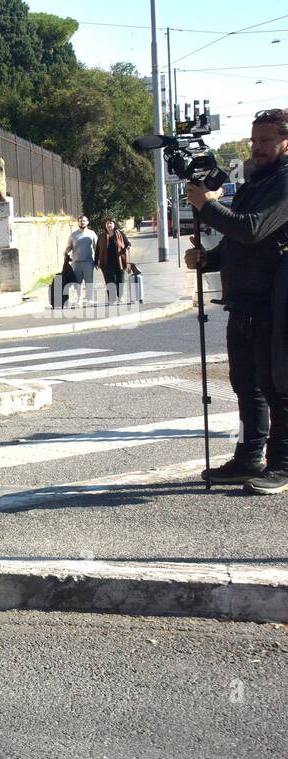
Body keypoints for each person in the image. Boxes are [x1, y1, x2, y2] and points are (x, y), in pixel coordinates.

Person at [186, 107, 288, 494]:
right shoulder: (255, 181)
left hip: (274, 301)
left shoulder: (284, 181)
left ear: (285, 141)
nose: (258, 147)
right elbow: (237, 244)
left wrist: (207, 206)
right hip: (244, 300)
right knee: (247, 384)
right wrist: (209, 259)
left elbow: (252, 229)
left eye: (266, 140)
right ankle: (248, 458)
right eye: (255, 140)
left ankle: (282, 464)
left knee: (278, 386)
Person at [95, 217, 131, 303]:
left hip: (119, 261)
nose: (109, 225)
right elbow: (98, 250)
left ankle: (120, 297)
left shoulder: (120, 234)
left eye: (111, 223)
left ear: (114, 224)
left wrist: (128, 246)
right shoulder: (101, 236)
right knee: (109, 280)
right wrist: (96, 261)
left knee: (120, 280)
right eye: (107, 223)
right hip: (106, 263)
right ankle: (111, 298)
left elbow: (127, 243)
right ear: (105, 225)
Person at [64, 214, 97, 306]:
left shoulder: (92, 233)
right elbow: (69, 246)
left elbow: (96, 247)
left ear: (87, 222)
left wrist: (97, 260)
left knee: (89, 281)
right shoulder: (73, 235)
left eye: (84, 221)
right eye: (80, 221)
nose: (82, 222)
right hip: (76, 262)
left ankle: (89, 299)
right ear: (78, 222)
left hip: (88, 261)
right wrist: (66, 252)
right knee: (77, 282)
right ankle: (78, 299)